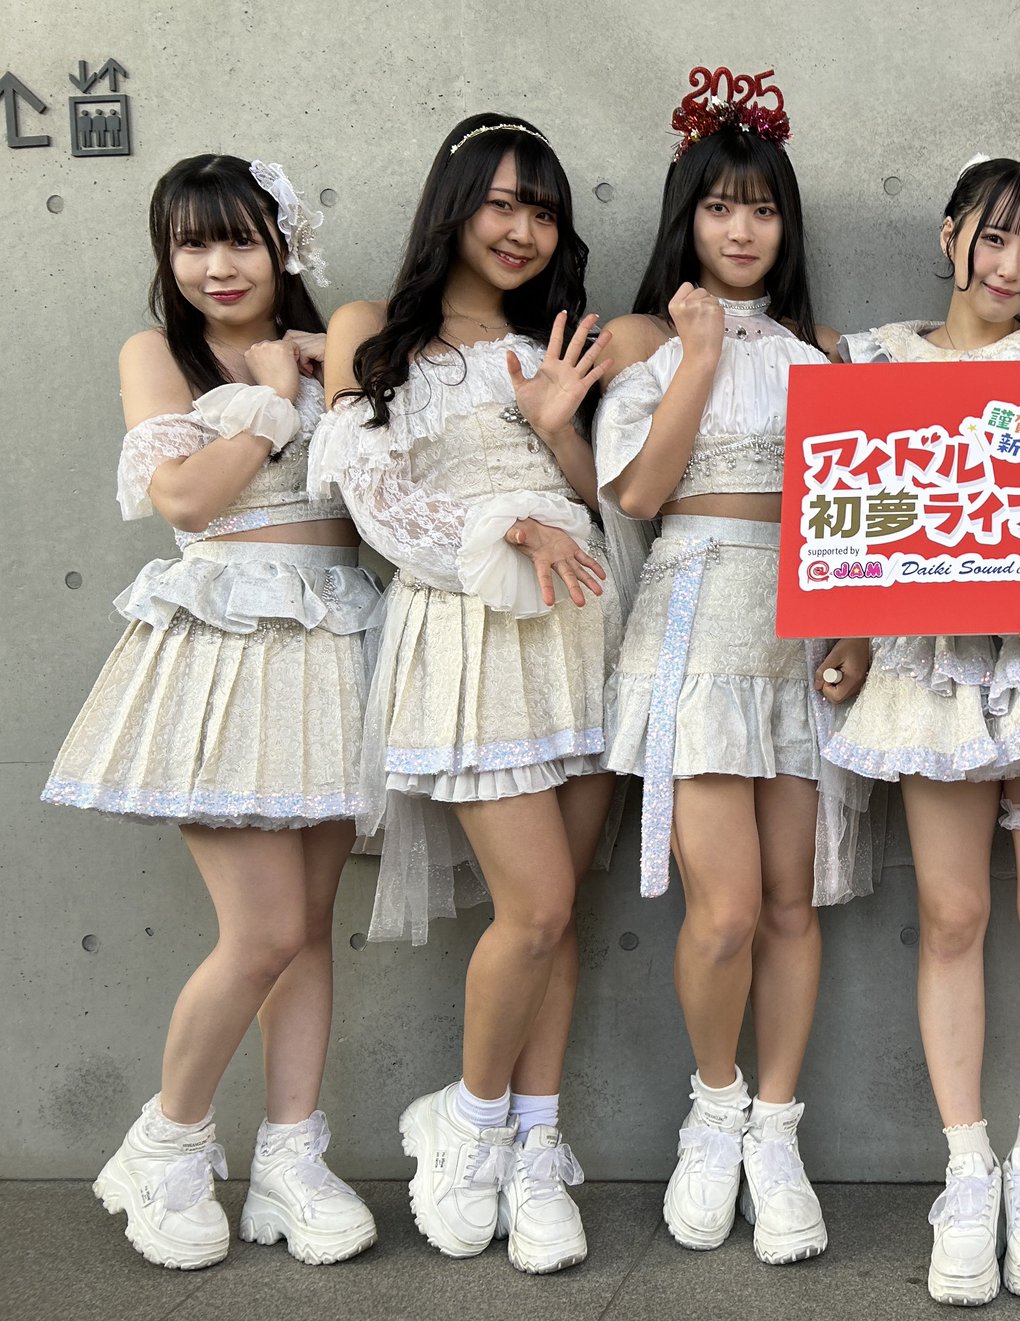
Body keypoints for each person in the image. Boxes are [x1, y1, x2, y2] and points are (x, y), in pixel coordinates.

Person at [45, 154, 380, 1269]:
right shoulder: (158, 353)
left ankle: (290, 1157)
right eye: (192, 243)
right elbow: (183, 498)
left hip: (331, 643)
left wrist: (333, 374)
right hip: (223, 650)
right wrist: (276, 405)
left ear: (284, 245)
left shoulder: (337, 346)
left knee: (308, 928)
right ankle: (167, 1143)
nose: (217, 265)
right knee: (262, 931)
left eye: (240, 238)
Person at [822, 155, 1020, 1305]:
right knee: (952, 914)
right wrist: (848, 639)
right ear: (948, 235)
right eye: (994, 238)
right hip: (932, 666)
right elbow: (857, 522)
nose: (1012, 266)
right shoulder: (872, 362)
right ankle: (966, 1170)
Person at [312, 113, 620, 1274]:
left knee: (560, 914)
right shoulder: (369, 332)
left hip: (580, 628)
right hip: (470, 630)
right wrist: (513, 526)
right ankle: (470, 1121)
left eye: (542, 210)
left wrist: (558, 432)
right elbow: (373, 499)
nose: (522, 229)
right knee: (531, 907)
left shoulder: (558, 343)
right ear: (454, 204)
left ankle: (535, 1145)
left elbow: (614, 502)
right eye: (501, 202)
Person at [593, 72, 871, 1267]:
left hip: (800, 628)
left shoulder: (823, 351)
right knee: (724, 913)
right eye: (718, 207)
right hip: (696, 618)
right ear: (686, 217)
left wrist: (856, 627)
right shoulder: (645, 341)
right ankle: (714, 1108)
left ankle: (777, 1128)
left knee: (791, 905)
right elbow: (640, 494)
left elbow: (857, 511)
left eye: (761, 209)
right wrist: (698, 356)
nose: (742, 229)